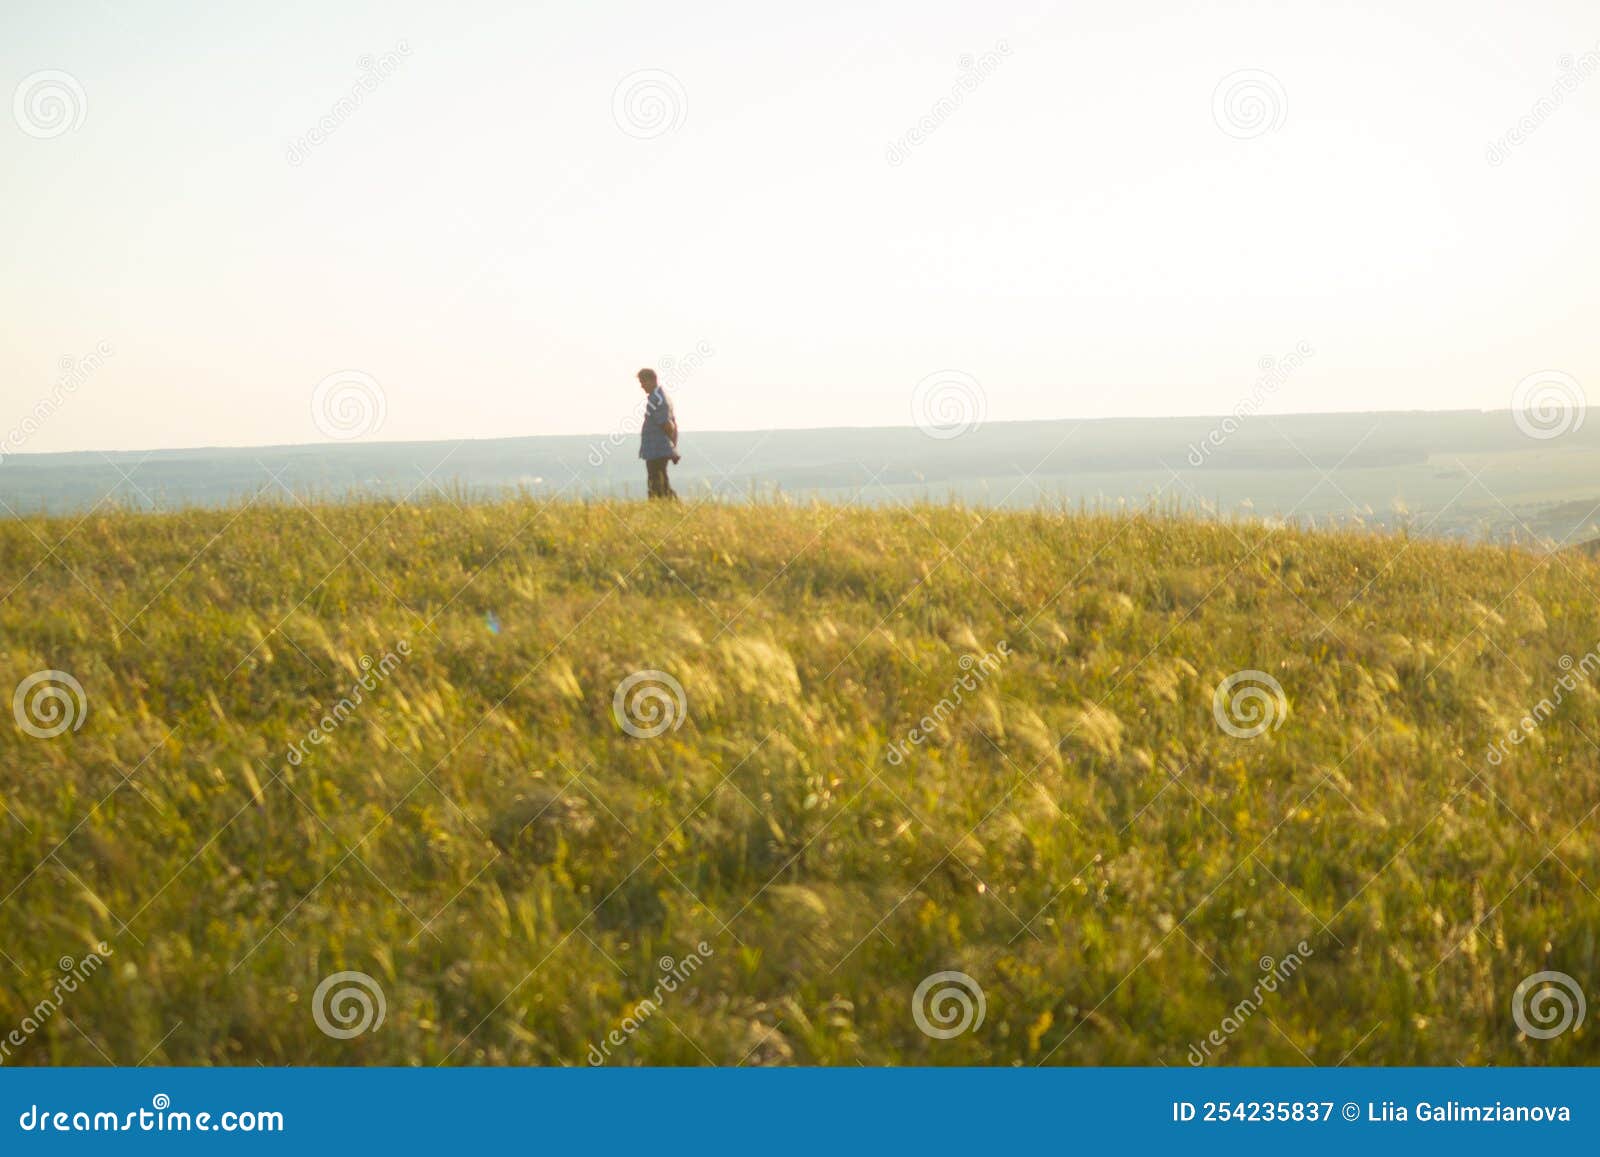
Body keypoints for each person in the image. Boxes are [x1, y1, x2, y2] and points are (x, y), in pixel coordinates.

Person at [637, 367, 679, 500]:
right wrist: (673, 447)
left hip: (657, 449)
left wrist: (671, 447)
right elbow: (672, 424)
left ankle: (667, 506)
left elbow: (666, 424)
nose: (642, 386)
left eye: (643, 382)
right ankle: (671, 507)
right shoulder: (660, 397)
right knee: (660, 481)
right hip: (657, 449)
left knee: (657, 483)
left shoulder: (657, 399)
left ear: (651, 380)